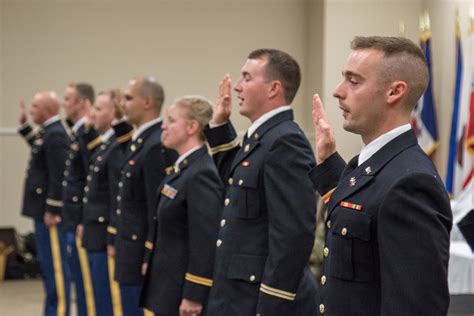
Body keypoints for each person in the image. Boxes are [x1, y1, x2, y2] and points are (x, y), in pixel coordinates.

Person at [310, 36, 452, 315]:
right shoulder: (371, 165)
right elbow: (364, 215)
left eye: (354, 81)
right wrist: (328, 162)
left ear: (394, 92)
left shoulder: (411, 184)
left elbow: (415, 306)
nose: (338, 91)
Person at [204, 49, 317, 315]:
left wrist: (273, 302)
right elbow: (235, 189)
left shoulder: (286, 141)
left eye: (246, 78)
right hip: (236, 293)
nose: (238, 87)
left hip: (257, 299)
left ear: (273, 88)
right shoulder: (263, 138)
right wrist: (219, 126)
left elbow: (293, 234)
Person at [141, 96, 223, 316]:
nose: (163, 126)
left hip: (181, 292)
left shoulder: (201, 173)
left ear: (191, 127)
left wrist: (194, 294)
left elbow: (204, 241)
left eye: (171, 120)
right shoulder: (183, 169)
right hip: (167, 285)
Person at [111, 77, 177, 316]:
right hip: (129, 247)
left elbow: (156, 209)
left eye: (128, 98)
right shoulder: (140, 140)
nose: (122, 104)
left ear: (147, 102)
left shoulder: (154, 145)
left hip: (140, 251)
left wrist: (150, 253)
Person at [76, 90, 134, 316]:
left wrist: (113, 234)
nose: (93, 114)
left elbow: (116, 197)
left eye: (99, 109)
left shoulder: (116, 148)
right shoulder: (105, 146)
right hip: (94, 231)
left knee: (110, 301)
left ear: (113, 113)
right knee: (97, 298)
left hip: (104, 234)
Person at [18, 91, 71, 316]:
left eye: (35, 106)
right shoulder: (49, 132)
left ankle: (59, 311)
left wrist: (53, 208)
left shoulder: (56, 134)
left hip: (49, 215)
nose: (32, 110)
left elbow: (60, 175)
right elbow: (39, 150)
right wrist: (25, 128)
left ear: (48, 109)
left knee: (56, 269)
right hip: (41, 212)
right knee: (47, 266)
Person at [61, 82, 96, 316]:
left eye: (67, 99)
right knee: (79, 283)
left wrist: (84, 219)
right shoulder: (78, 132)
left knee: (88, 286)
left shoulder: (88, 134)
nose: (63, 105)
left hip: (82, 220)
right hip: (73, 217)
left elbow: (91, 183)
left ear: (82, 103)